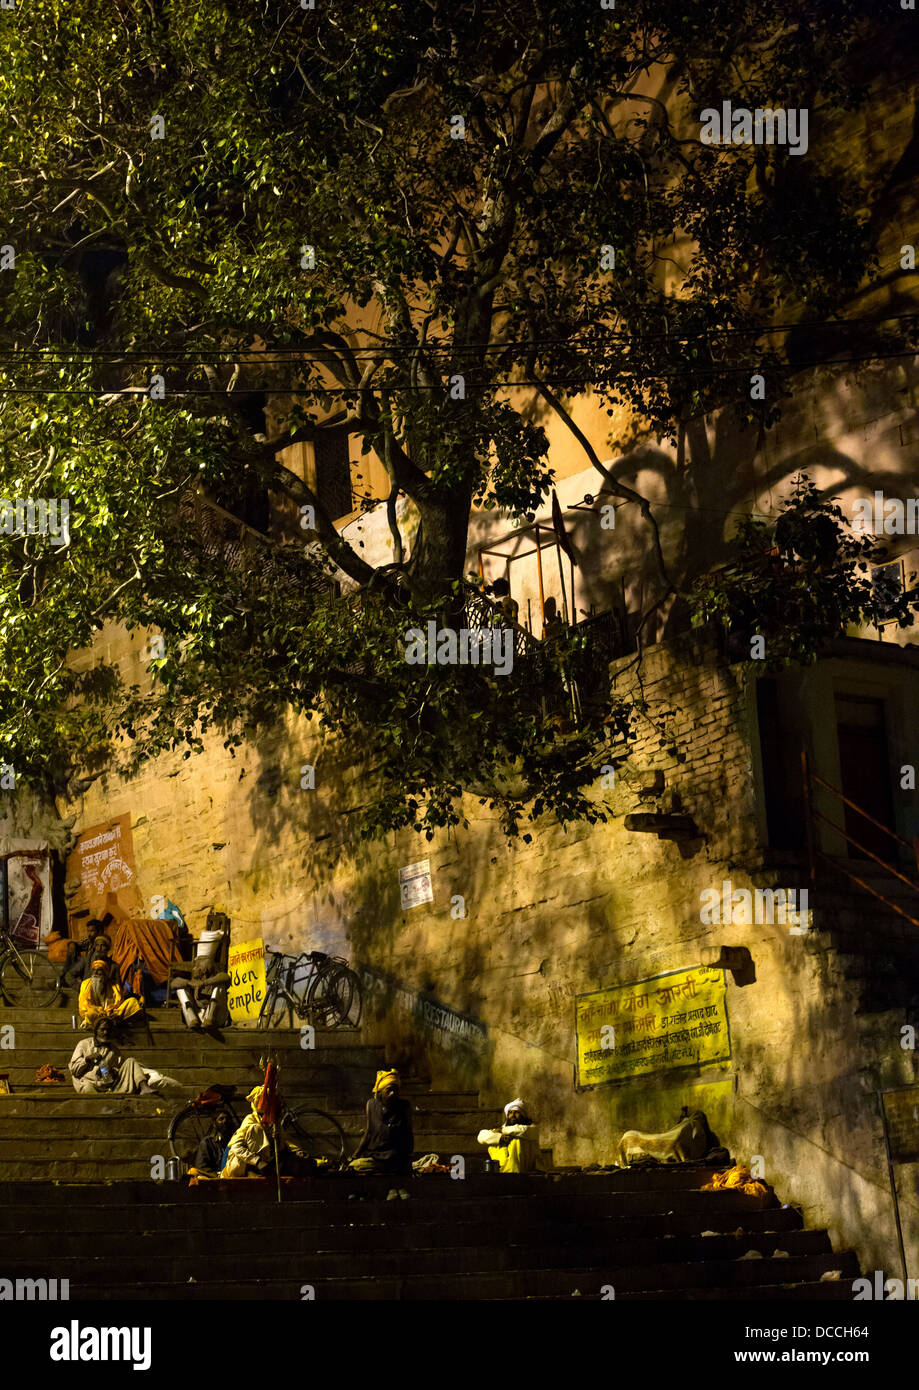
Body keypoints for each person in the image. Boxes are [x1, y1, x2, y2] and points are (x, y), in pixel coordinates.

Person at [220, 1084, 314, 1179]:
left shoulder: (274, 1121)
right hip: (248, 1164)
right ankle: (253, 1171)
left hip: (269, 1162)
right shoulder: (251, 1121)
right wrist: (258, 1162)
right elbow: (236, 1148)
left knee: (305, 1163)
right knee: (256, 1129)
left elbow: (285, 1140)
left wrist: (297, 1151)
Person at [68, 1018, 178, 1095]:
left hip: (108, 1085)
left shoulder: (114, 1050)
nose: (106, 1032)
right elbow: (74, 1070)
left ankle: (144, 1088)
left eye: (108, 1030)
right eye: (102, 1029)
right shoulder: (83, 1044)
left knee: (130, 1061)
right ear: (96, 1031)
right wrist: (87, 1059)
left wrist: (113, 1072)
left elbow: (117, 1069)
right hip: (89, 1083)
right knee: (88, 1090)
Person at [349, 1069, 414, 1197]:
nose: (393, 1093)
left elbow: (408, 1133)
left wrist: (408, 1156)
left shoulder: (404, 1106)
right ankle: (366, 1192)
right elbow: (369, 1132)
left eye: (395, 1089)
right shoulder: (372, 1105)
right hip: (375, 1155)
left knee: (398, 1185)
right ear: (380, 1092)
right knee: (354, 1166)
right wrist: (356, 1154)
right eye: (389, 1090)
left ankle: (395, 1189)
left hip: (395, 1155)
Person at [477, 1098, 545, 1173]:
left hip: (521, 1173)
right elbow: (481, 1136)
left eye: (516, 1113)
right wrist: (500, 1138)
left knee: (519, 1139)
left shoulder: (531, 1130)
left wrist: (502, 1131)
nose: (512, 1115)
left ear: (523, 1115)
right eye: (510, 1113)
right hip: (502, 1173)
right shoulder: (499, 1132)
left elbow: (522, 1130)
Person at [171, 955, 231, 1031]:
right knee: (181, 989)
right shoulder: (193, 980)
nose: (193, 969)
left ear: (204, 970)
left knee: (219, 987)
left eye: (197, 967)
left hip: (215, 1018)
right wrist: (189, 983)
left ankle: (210, 1019)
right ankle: (192, 1020)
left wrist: (204, 983)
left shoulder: (214, 979)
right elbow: (173, 983)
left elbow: (225, 977)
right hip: (200, 1017)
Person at [77, 959, 143, 1028]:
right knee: (90, 1013)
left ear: (105, 972)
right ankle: (113, 1022)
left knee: (132, 1002)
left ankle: (109, 1021)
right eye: (94, 970)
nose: (96, 972)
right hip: (97, 1014)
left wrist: (111, 1009)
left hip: (112, 1013)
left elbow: (119, 1001)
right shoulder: (85, 984)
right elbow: (84, 1005)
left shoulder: (114, 985)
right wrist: (99, 1010)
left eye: (99, 970)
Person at [189, 1108, 236, 1179]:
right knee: (193, 1172)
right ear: (214, 1124)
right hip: (214, 1177)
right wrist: (216, 1175)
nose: (225, 1121)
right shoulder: (207, 1142)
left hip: (231, 1176)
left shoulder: (236, 1141)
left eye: (227, 1119)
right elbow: (201, 1166)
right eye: (221, 1119)